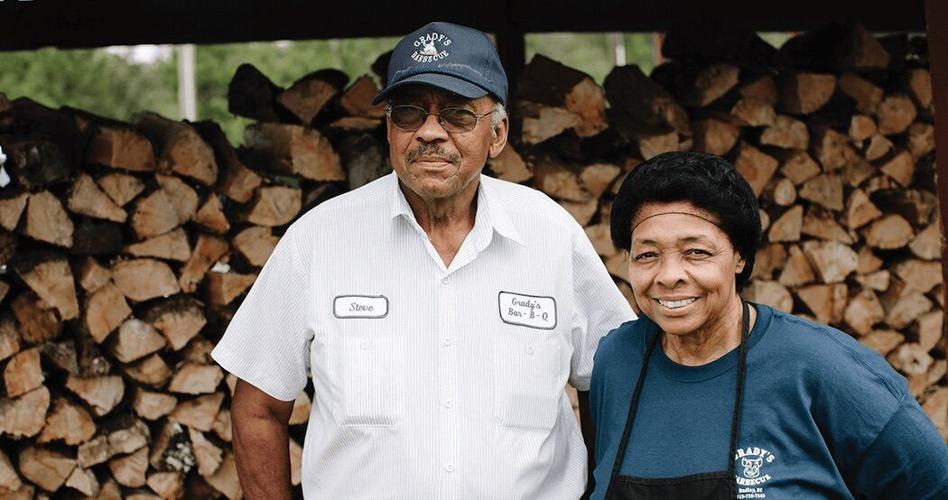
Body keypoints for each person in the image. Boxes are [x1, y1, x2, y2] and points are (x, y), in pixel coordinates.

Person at [211, 21, 634, 499]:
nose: (430, 132)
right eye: (410, 112)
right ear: (389, 128)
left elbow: (611, 384)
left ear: (497, 135)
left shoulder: (552, 236)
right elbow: (257, 409)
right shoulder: (319, 241)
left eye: (457, 115)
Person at [589, 151, 948, 500]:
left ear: (740, 257)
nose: (669, 276)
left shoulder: (823, 367)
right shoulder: (617, 360)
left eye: (696, 252)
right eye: (647, 255)